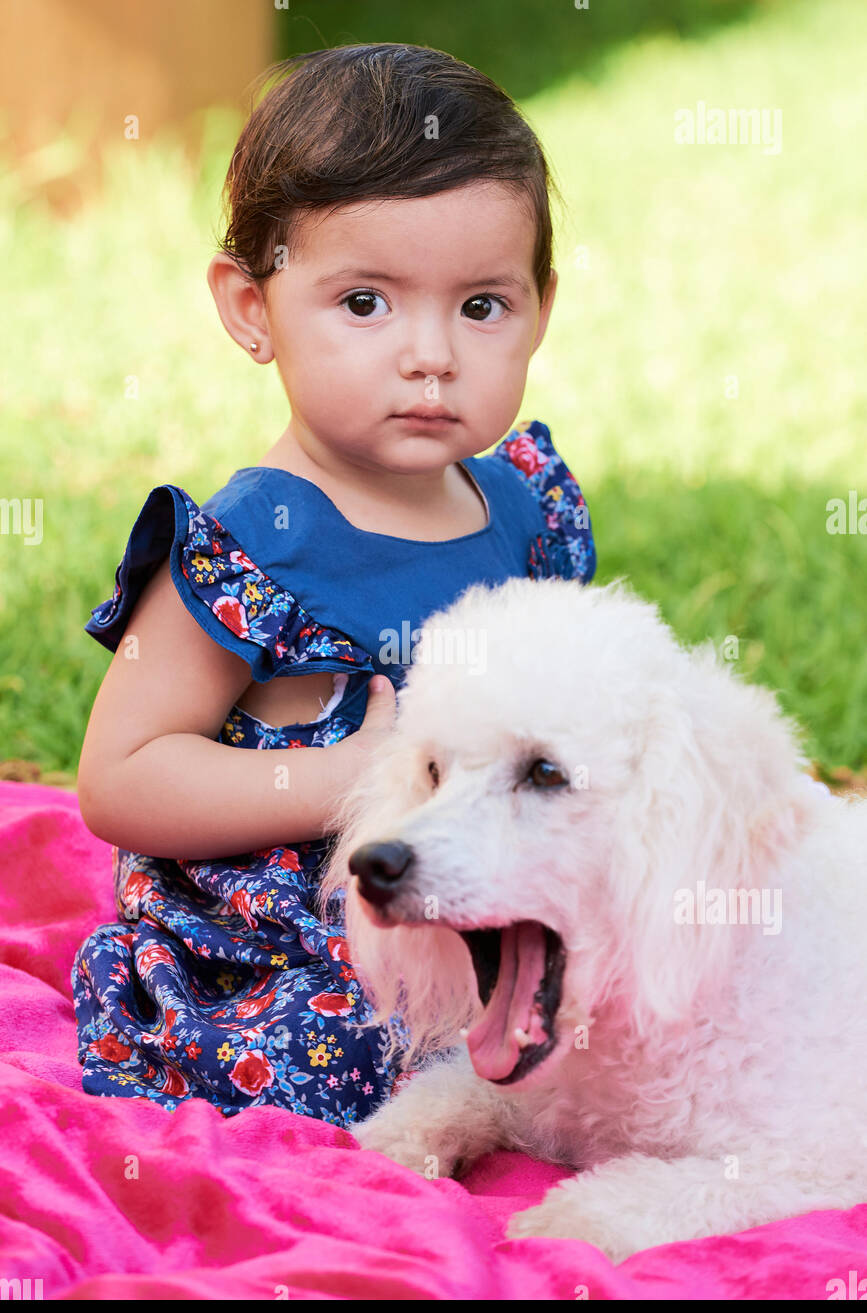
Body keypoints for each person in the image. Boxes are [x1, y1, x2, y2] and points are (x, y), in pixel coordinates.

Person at [72, 42, 596, 1125]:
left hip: (480, 896)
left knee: (657, 986)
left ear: (541, 308)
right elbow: (120, 778)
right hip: (296, 940)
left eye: (482, 307)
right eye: (365, 303)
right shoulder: (254, 546)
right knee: (354, 1048)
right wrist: (351, 774)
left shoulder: (526, 513)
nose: (430, 354)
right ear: (253, 308)